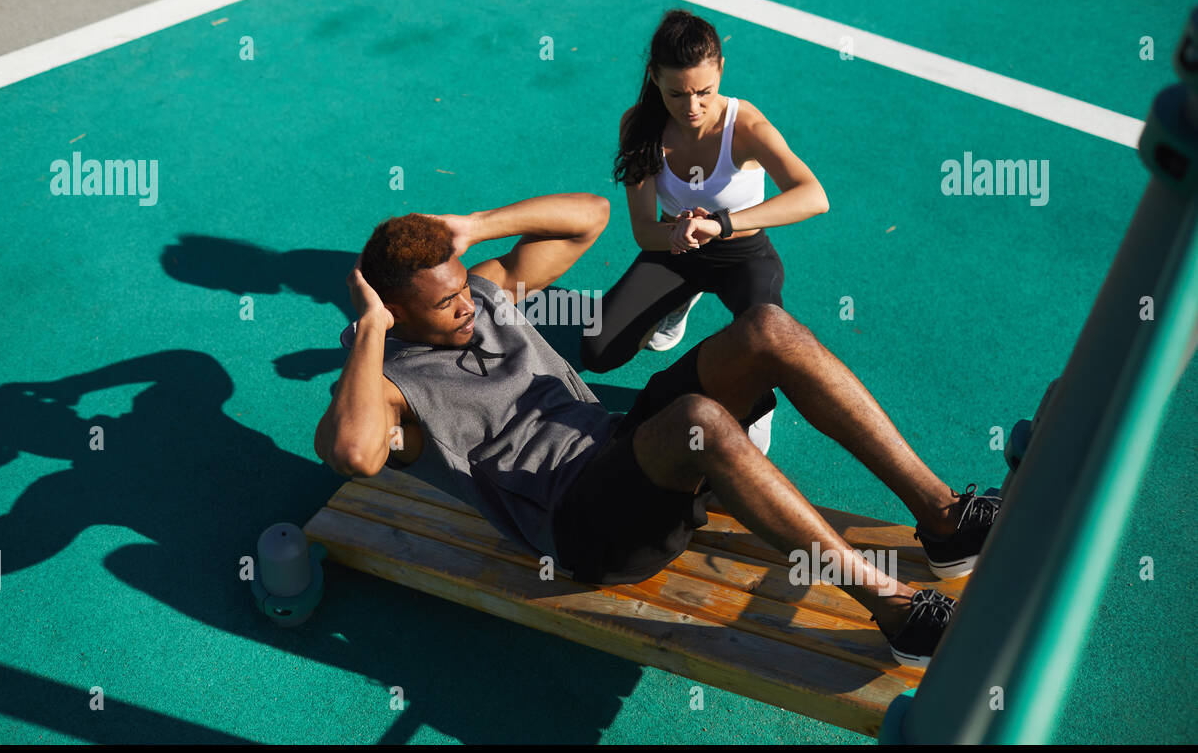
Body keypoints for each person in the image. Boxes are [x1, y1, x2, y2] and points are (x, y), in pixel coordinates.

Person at [314, 195, 1000, 669]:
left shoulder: (484, 293)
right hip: (581, 524)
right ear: (393, 310)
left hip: (623, 447)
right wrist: (370, 330)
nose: (466, 305)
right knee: (698, 422)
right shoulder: (385, 384)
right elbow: (353, 454)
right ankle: (897, 613)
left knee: (769, 331)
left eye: (463, 286)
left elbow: (590, 217)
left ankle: (942, 518)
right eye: (443, 303)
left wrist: (473, 225)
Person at [582, 8, 825, 454]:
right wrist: (678, 235)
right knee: (598, 352)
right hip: (678, 251)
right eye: (676, 94)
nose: (691, 107)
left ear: (721, 71)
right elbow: (643, 232)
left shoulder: (745, 125)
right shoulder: (638, 126)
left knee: (764, 342)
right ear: (654, 77)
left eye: (704, 92)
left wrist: (721, 225)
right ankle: (678, 303)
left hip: (744, 253)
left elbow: (813, 195)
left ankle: (759, 410)